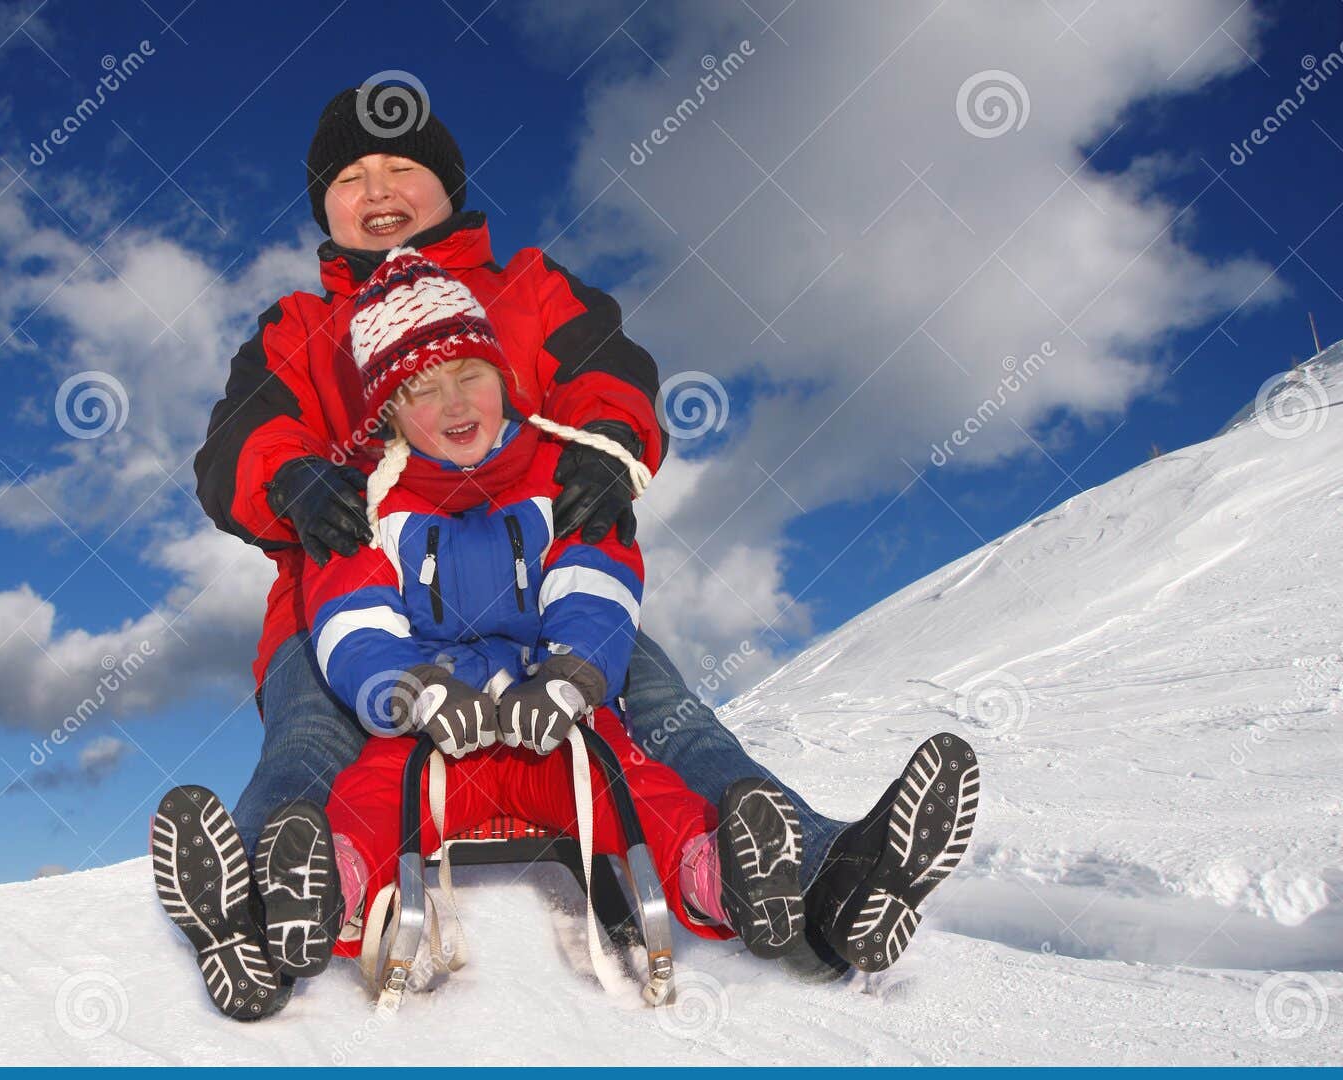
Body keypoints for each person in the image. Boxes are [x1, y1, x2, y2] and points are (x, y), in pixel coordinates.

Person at [167, 83, 976, 1020]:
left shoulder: (525, 289)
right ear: (325, 206)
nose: (377, 189)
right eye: (349, 176)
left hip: (541, 596)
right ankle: (264, 908)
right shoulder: (298, 329)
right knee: (316, 732)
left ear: (447, 187)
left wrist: (602, 449)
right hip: (348, 605)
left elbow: (610, 370)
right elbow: (234, 445)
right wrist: (292, 480)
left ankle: (820, 871)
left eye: (401, 167)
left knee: (664, 711)